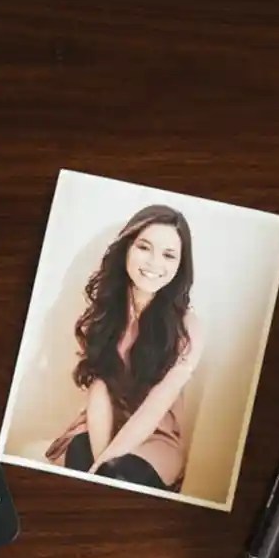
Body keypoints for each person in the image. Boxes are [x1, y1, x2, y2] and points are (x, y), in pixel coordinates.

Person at [45, 204, 203, 491]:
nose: (155, 263)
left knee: (120, 474)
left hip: (154, 434)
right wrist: (98, 461)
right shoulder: (107, 313)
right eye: (145, 247)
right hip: (101, 422)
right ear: (127, 248)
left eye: (169, 255)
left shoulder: (188, 327)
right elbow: (100, 389)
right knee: (82, 459)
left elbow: (155, 406)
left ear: (180, 265)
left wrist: (107, 463)